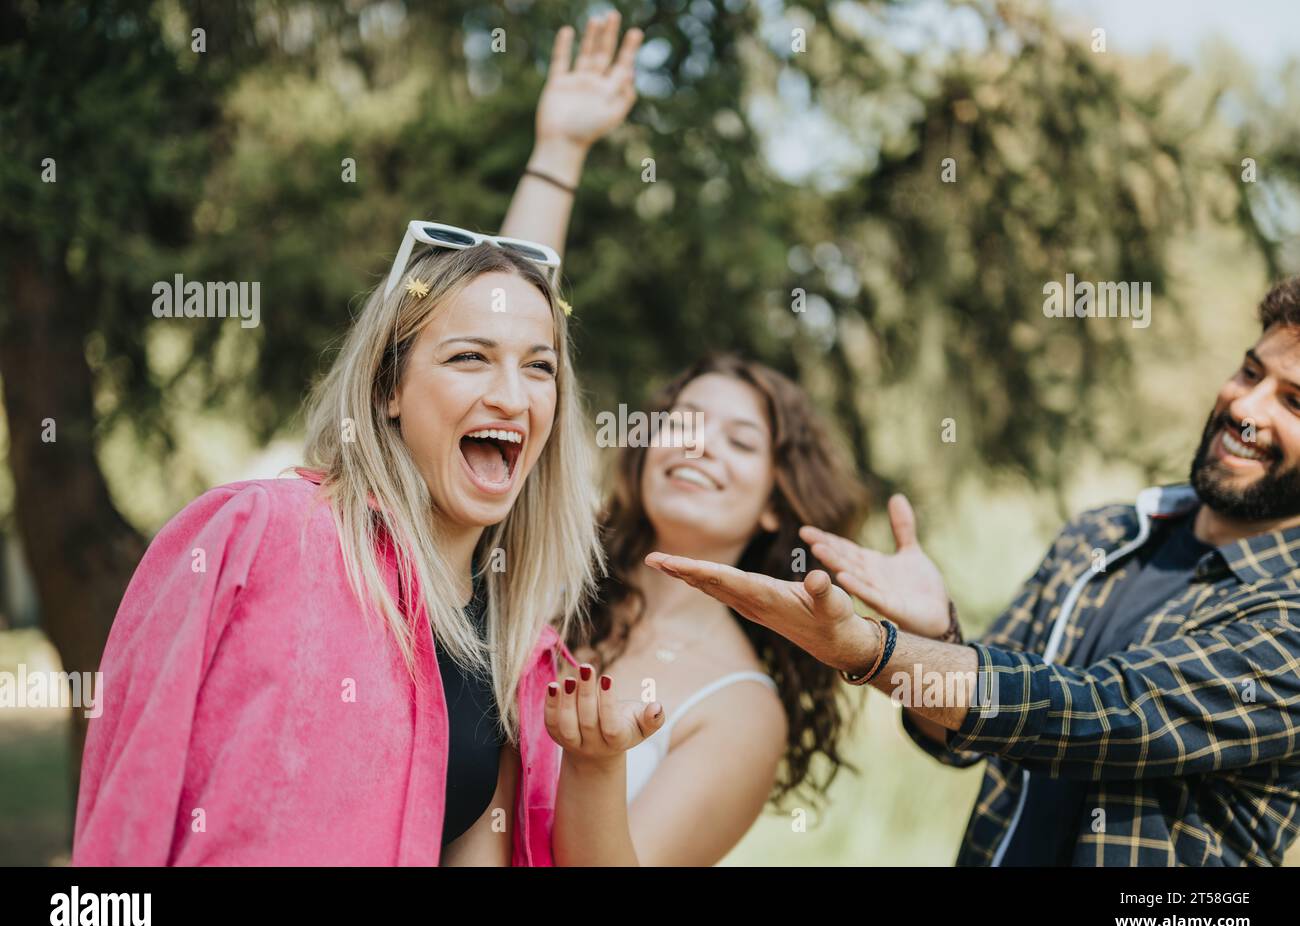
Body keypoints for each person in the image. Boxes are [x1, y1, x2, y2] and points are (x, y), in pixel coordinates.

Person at [645, 277, 1300, 866]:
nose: (1247, 408)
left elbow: (1106, 713)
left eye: (1293, 402)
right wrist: (939, 638)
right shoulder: (1105, 533)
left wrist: (873, 652)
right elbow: (965, 735)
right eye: (1250, 373)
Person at [73, 220, 661, 866]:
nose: (511, 397)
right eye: (470, 358)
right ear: (388, 388)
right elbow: (128, 809)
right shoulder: (255, 537)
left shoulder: (524, 657)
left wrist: (598, 765)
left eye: (539, 367)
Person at [498, 14, 868, 865]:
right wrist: (559, 148)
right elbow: (507, 335)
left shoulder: (742, 707)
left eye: (740, 441)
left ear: (777, 495)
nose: (699, 448)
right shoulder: (555, 563)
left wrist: (595, 767)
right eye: (685, 424)